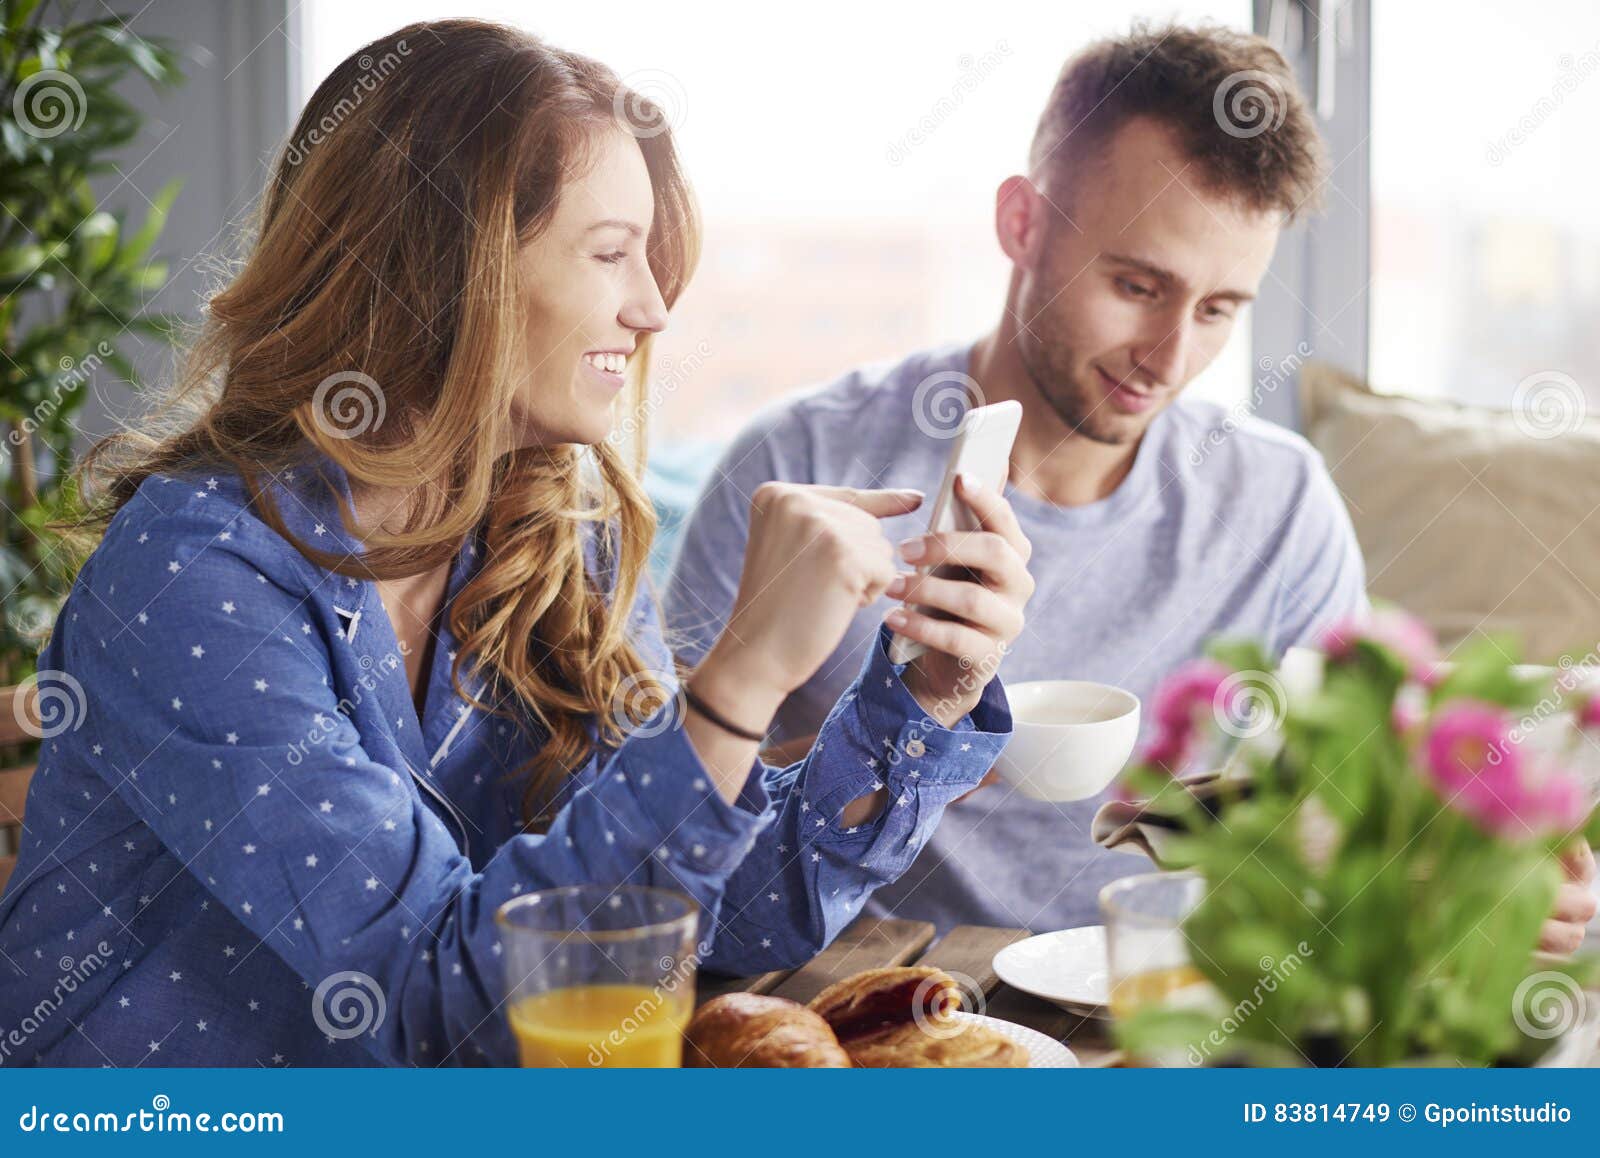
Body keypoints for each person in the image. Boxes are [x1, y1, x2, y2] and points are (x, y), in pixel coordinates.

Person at [0, 20, 1034, 1067]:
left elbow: (708, 915)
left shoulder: (554, 535)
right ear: (444, 271)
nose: (652, 309)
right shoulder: (192, 574)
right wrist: (742, 679)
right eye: (611, 254)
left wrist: (924, 694)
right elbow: (447, 1004)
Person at [664, 23, 1598, 948]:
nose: (1170, 358)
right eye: (1139, 287)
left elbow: (1344, 812)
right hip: (883, 1001)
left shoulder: (1278, 505)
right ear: (1022, 223)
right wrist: (907, 739)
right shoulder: (803, 470)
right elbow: (660, 842)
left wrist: (1461, 875)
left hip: (1171, 1003)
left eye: (1219, 309)